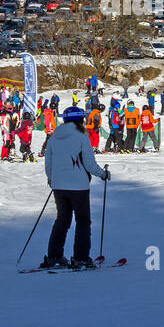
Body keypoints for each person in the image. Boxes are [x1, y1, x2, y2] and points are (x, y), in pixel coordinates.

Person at [41, 106, 110, 270]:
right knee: (83, 221)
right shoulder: (81, 136)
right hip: (78, 186)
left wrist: (51, 179)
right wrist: (103, 174)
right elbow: (89, 163)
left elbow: (48, 162)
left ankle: (54, 256)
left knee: (62, 220)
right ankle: (81, 258)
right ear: (80, 119)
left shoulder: (54, 136)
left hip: (59, 186)